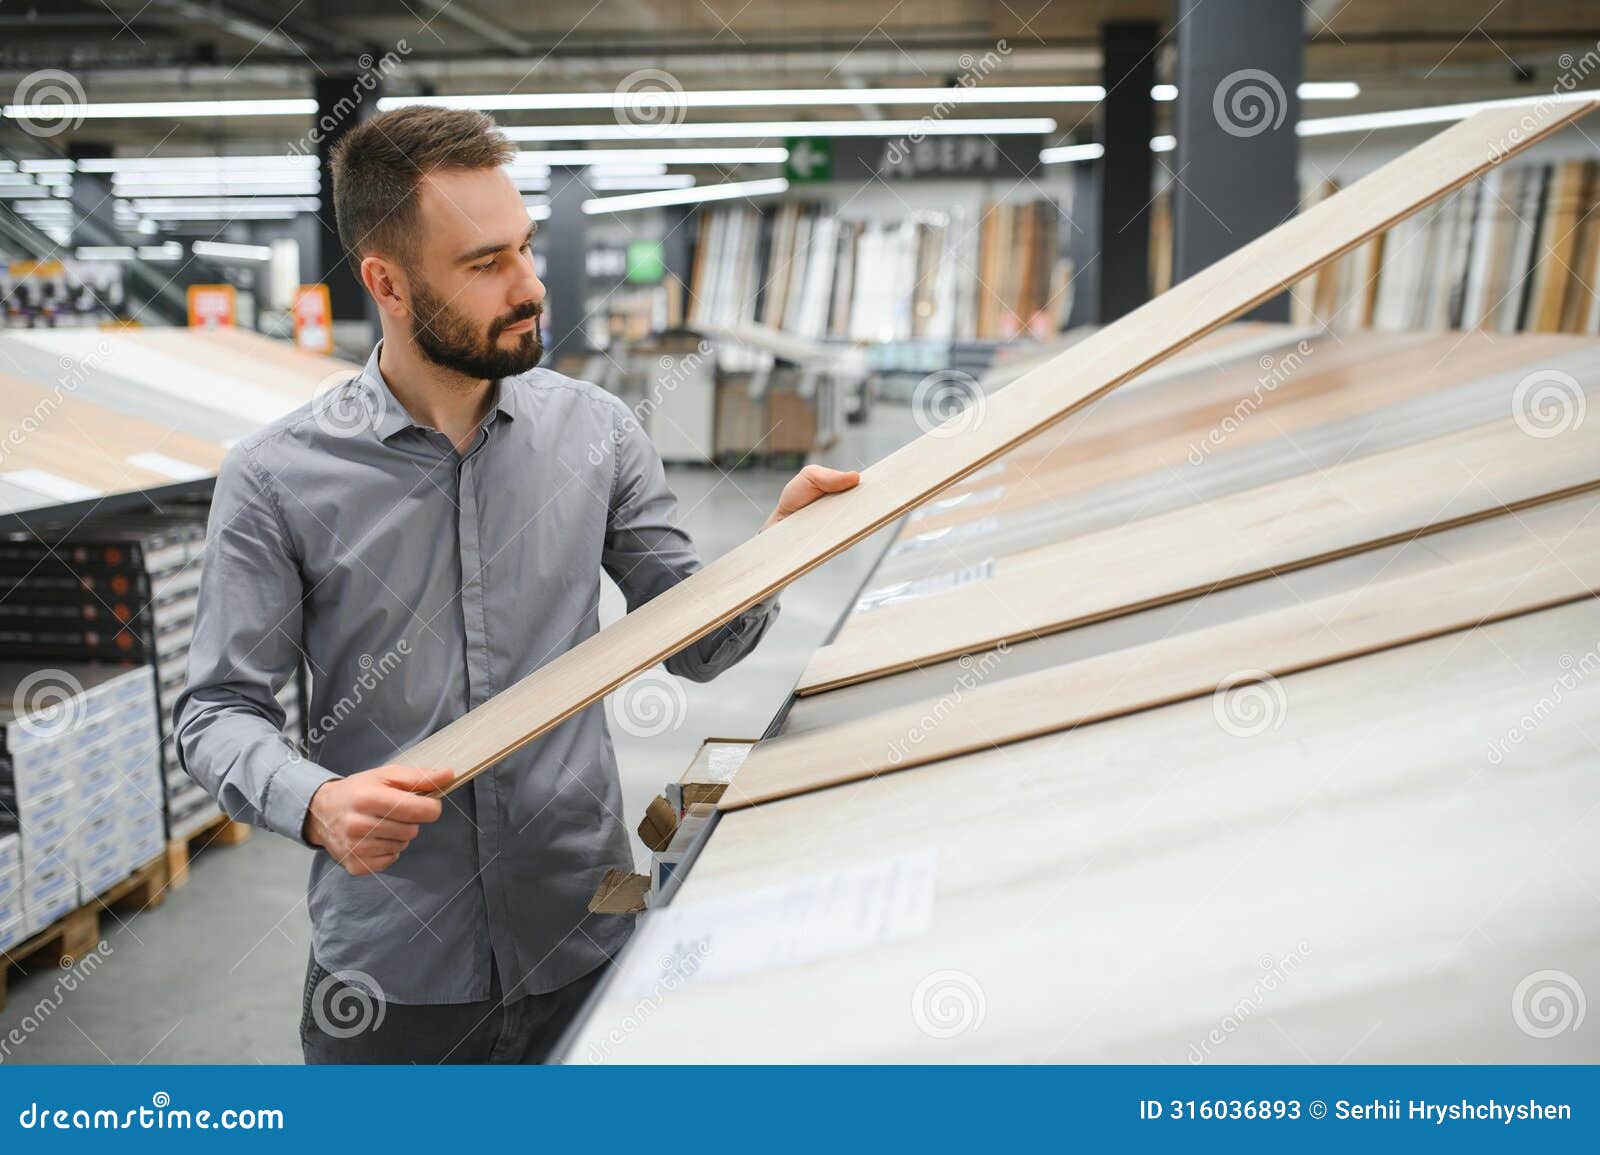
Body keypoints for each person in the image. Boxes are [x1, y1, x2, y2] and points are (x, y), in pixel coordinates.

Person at [173, 105, 859, 1064]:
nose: (531, 284)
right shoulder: (277, 477)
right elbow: (217, 711)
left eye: (526, 247)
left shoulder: (597, 432)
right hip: (392, 976)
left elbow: (701, 644)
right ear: (387, 282)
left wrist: (780, 550)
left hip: (584, 934)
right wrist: (315, 801)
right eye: (485, 262)